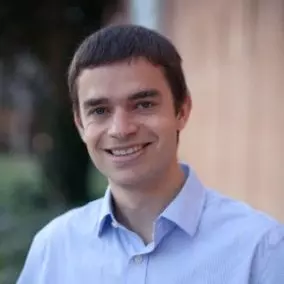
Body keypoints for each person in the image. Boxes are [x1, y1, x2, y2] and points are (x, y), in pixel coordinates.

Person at [17, 24, 284, 284]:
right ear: (80, 125)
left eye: (143, 104)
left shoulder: (262, 250)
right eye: (99, 110)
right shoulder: (52, 250)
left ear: (182, 110)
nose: (121, 129)